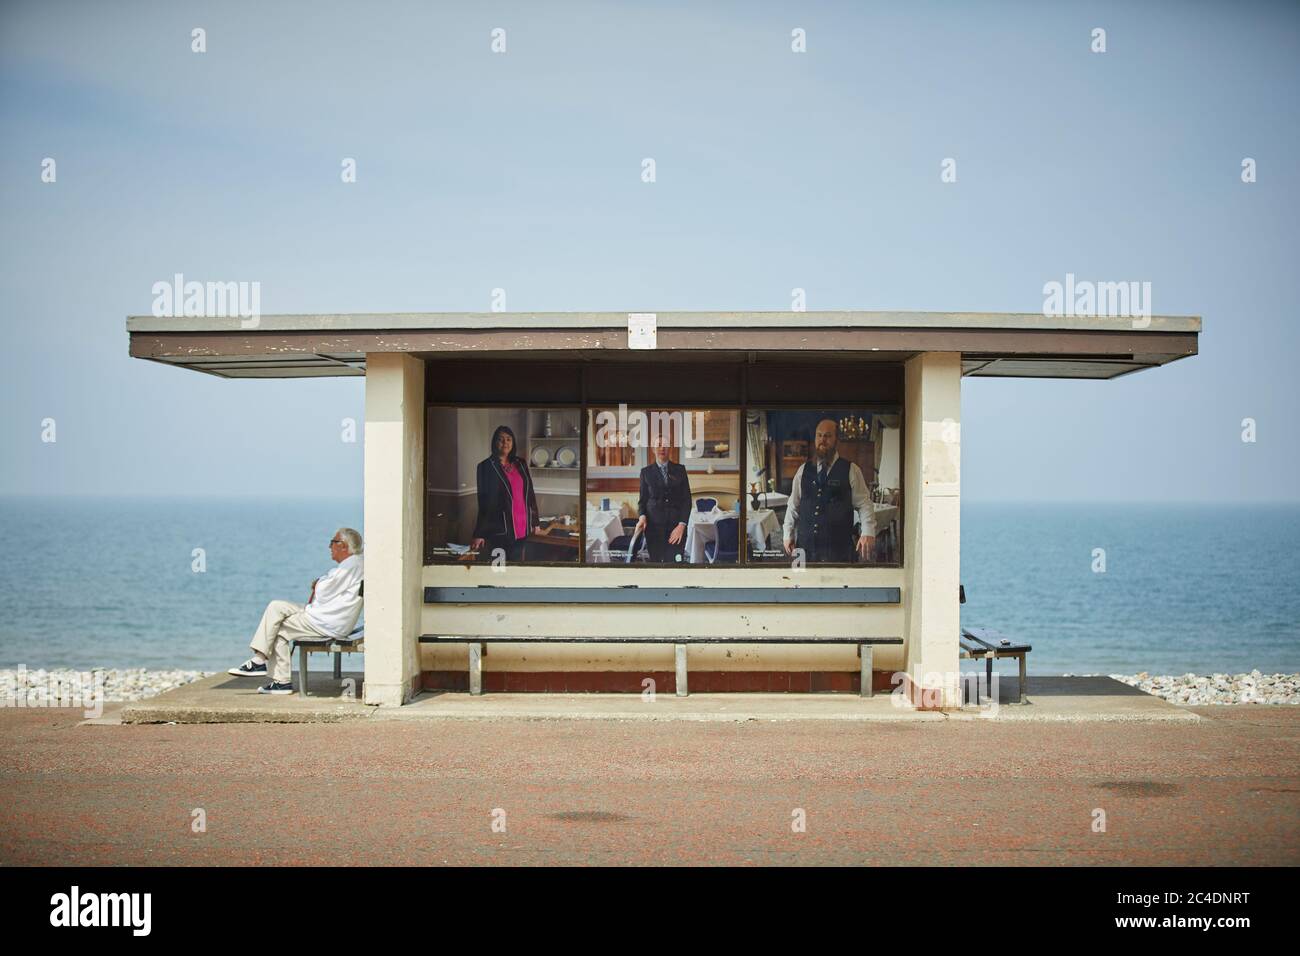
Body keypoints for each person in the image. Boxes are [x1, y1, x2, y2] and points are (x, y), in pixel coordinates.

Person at [228, 528, 364, 694]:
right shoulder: (354, 563)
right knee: (276, 606)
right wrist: (321, 582)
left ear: (343, 546)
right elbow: (330, 589)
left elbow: (326, 591)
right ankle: (261, 661)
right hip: (323, 614)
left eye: (332, 542)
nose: (329, 547)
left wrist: (318, 583)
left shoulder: (351, 565)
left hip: (326, 621)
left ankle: (276, 677)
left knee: (278, 628)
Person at [782, 419, 876, 563]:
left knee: (840, 584)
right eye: (819, 435)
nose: (822, 440)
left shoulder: (851, 470)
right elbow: (793, 505)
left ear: (837, 440)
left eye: (827, 436)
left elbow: (864, 504)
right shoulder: (803, 470)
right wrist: (787, 534)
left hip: (839, 549)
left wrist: (868, 531)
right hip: (804, 548)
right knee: (801, 584)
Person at [470, 424, 542, 563]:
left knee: (515, 565)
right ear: (494, 442)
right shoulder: (485, 467)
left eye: (509, 439)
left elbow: (530, 493)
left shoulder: (520, 463)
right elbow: (484, 502)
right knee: (499, 568)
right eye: (501, 439)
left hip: (522, 526)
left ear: (513, 442)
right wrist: (479, 533)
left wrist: (535, 522)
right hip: (500, 529)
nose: (505, 443)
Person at [635, 433, 692, 562]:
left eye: (665, 445)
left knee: (675, 563)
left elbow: (686, 500)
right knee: (656, 563)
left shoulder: (680, 470)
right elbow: (642, 501)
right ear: (653, 449)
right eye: (659, 445)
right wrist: (642, 517)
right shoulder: (646, 472)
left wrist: (682, 525)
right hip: (654, 529)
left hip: (676, 528)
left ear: (670, 448)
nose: (662, 448)